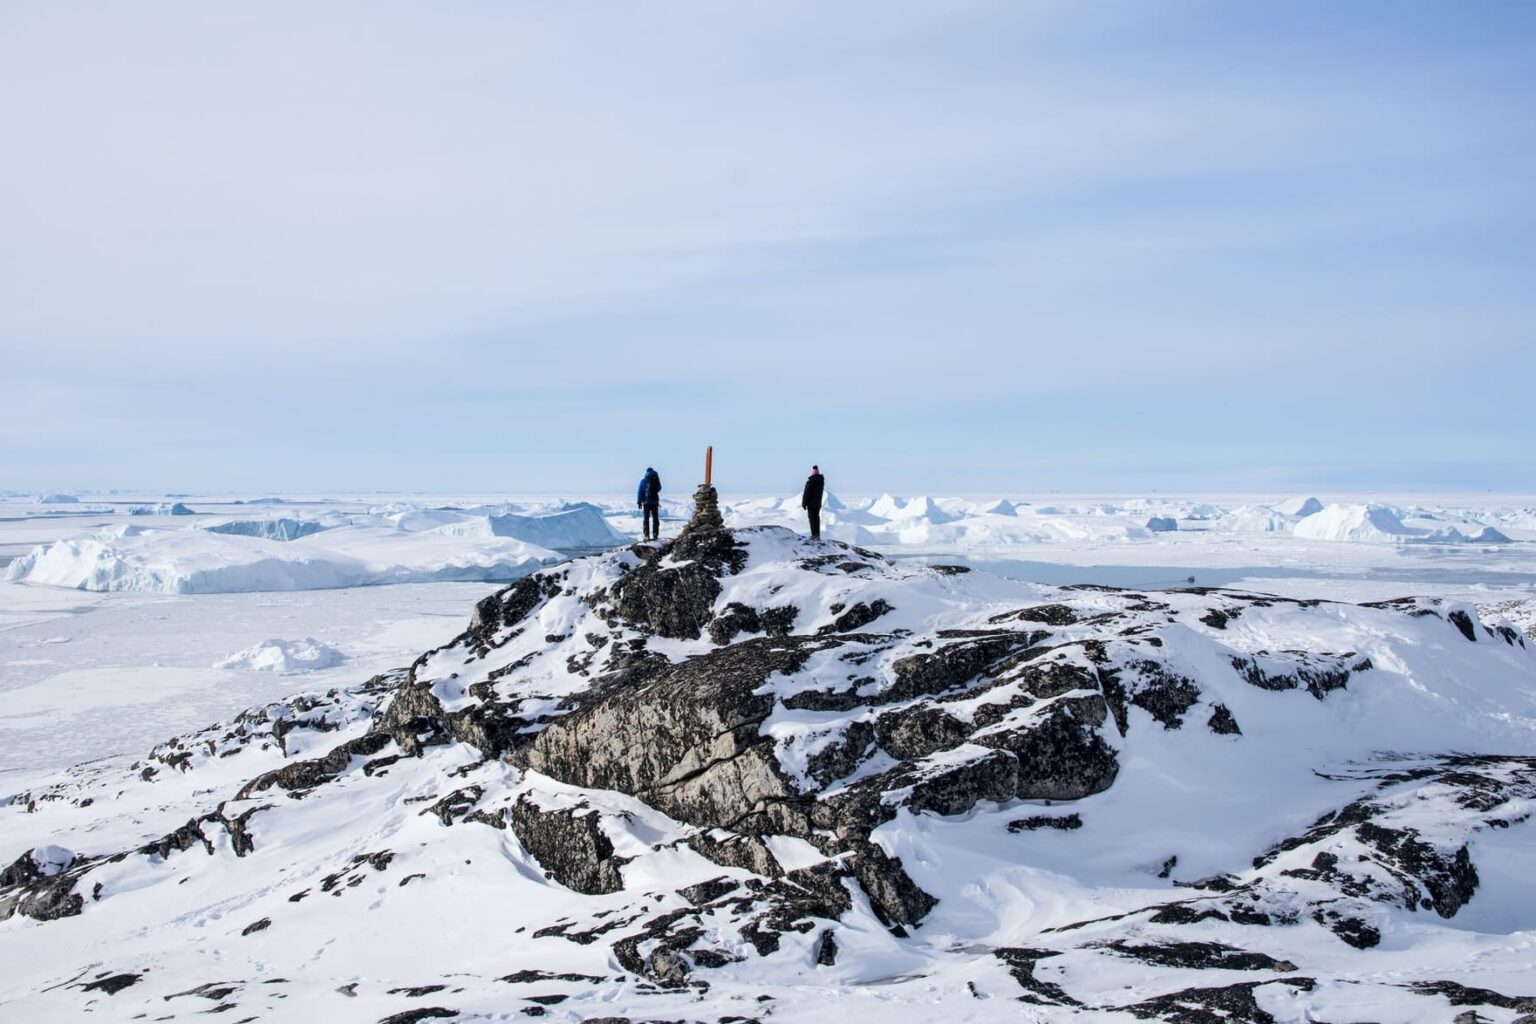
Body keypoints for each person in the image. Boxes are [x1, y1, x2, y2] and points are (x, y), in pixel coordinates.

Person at [636, 466, 662, 541]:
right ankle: (655, 535)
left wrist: (639, 502)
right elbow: (659, 488)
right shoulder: (656, 479)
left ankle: (646, 535)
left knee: (646, 519)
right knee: (655, 519)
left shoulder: (643, 481)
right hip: (655, 502)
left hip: (646, 502)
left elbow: (639, 492)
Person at [801, 465, 825, 540]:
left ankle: (813, 535)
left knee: (812, 519)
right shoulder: (821, 482)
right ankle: (817, 535)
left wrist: (804, 503)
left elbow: (807, 493)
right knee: (816, 518)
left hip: (811, 504)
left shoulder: (811, 482)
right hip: (818, 504)